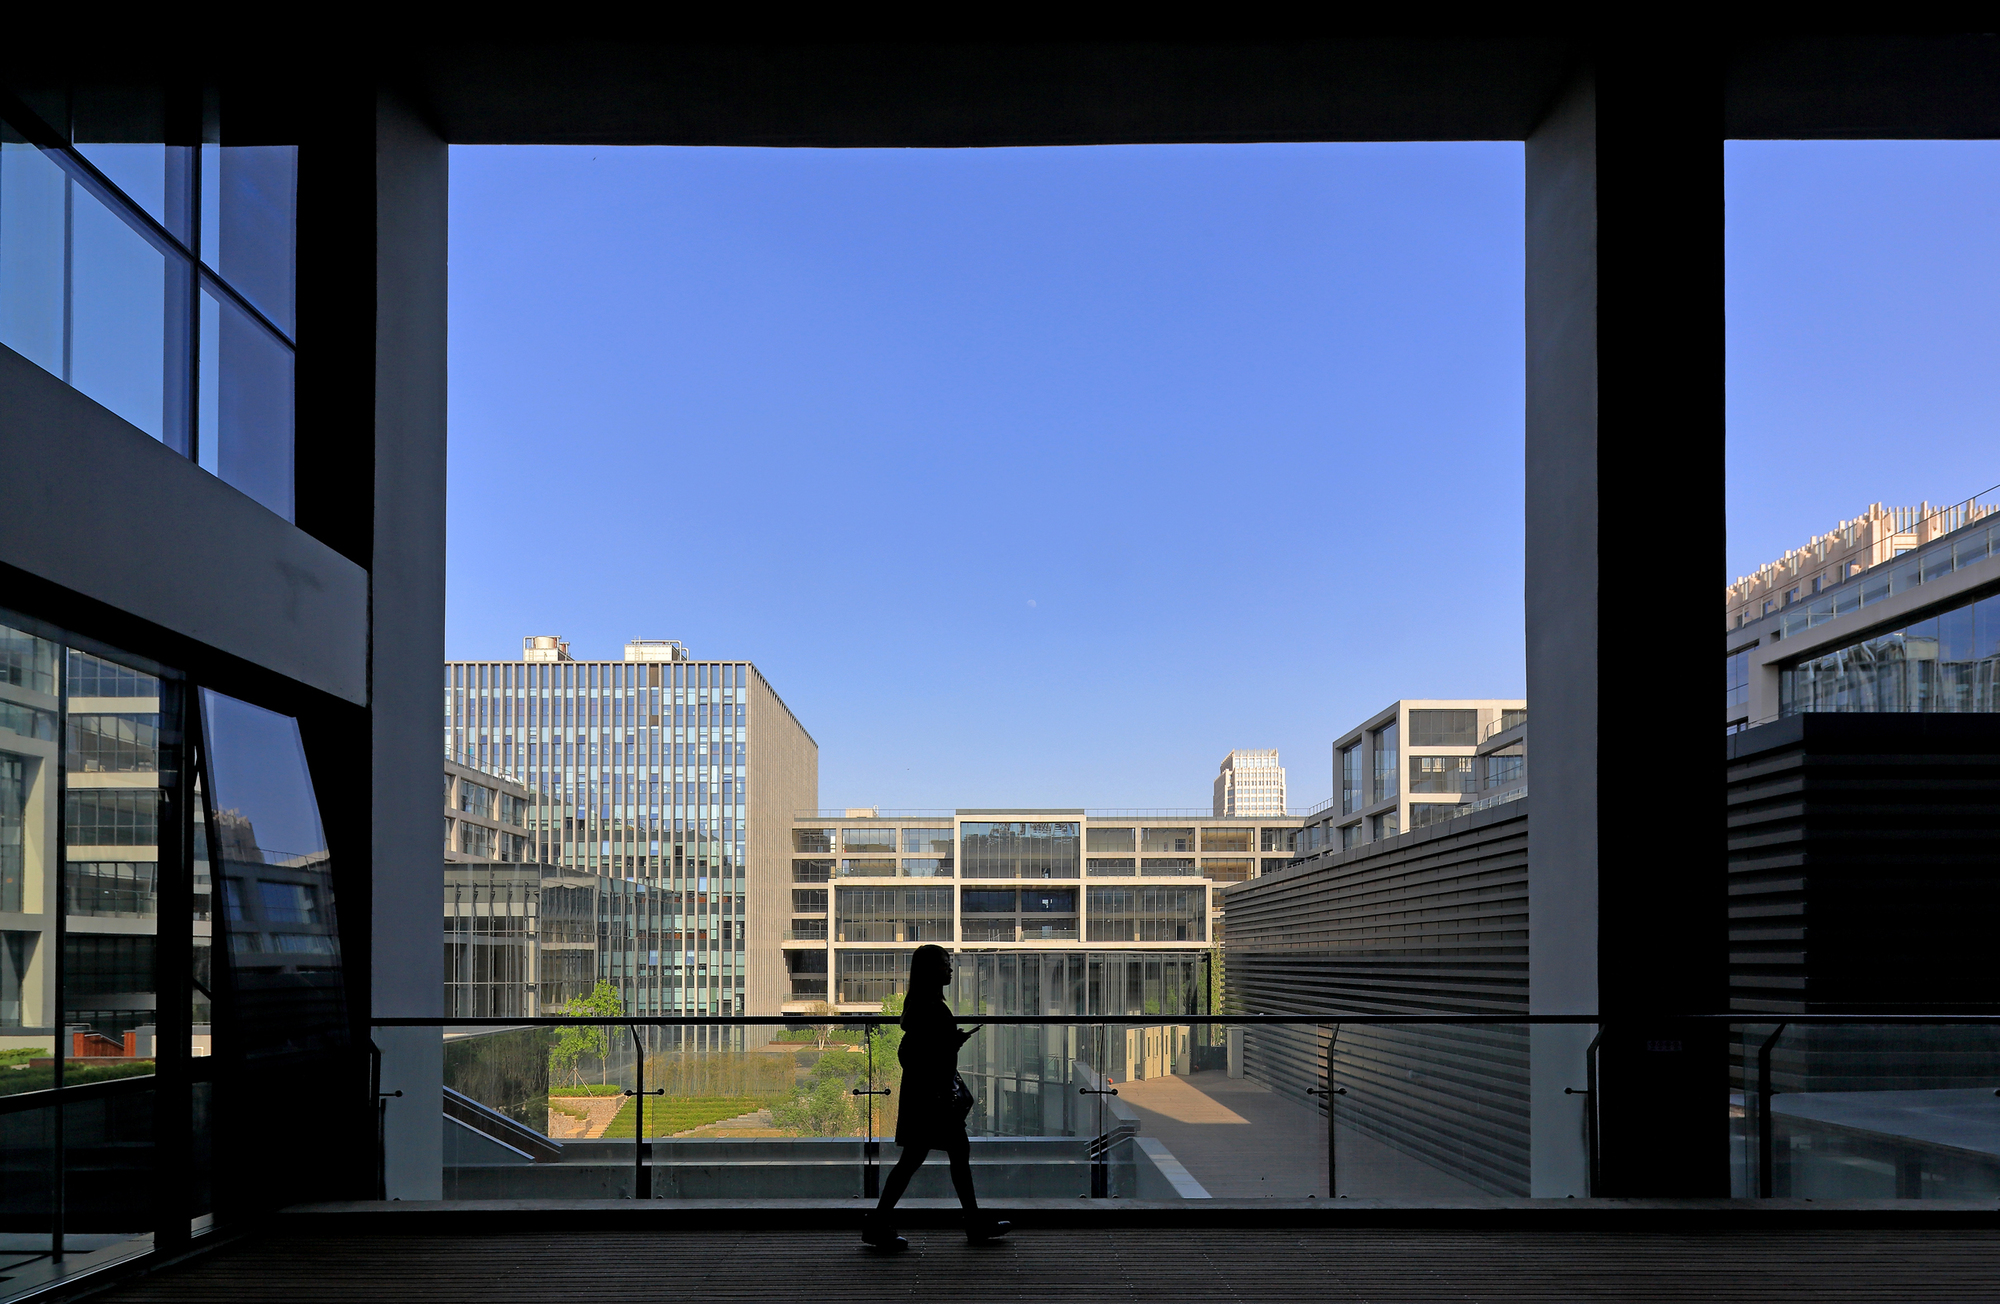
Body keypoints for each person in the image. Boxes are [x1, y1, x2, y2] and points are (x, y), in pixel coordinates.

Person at [861, 944, 1011, 1251]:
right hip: (935, 1098)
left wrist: (948, 1043)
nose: (950, 969)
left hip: (924, 1096)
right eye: (945, 964)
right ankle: (972, 1223)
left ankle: (880, 1223)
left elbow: (918, 1050)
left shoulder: (919, 1005)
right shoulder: (932, 1007)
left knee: (918, 1158)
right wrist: (952, 1043)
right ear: (931, 970)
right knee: (948, 1154)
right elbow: (931, 1052)